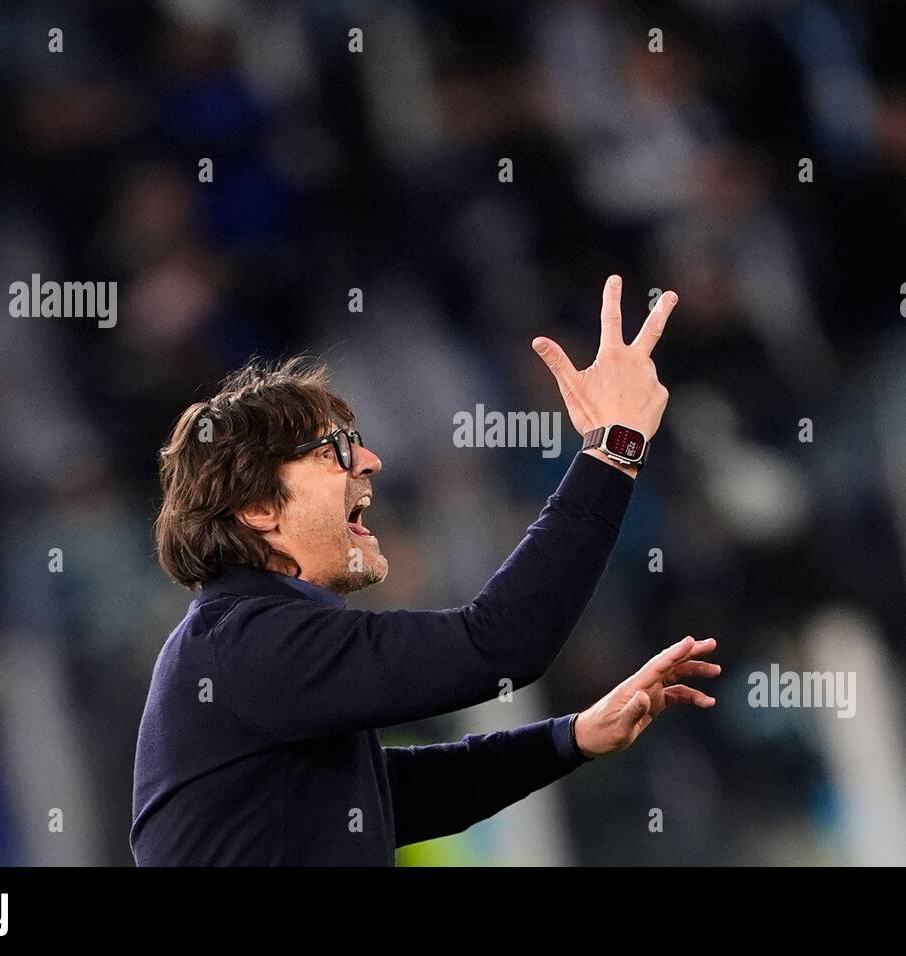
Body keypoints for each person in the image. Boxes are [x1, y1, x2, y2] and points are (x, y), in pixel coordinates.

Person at [130, 275, 718, 865]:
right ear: (258, 508)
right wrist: (613, 449)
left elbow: (391, 796)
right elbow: (498, 645)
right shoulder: (249, 642)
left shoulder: (243, 642)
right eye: (333, 449)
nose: (370, 460)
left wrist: (572, 737)